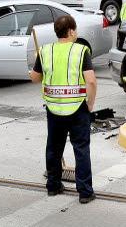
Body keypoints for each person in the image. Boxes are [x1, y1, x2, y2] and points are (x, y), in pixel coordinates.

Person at [30, 15, 98, 204]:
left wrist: (39, 63)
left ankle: (53, 186)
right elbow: (91, 81)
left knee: (53, 147)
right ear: (71, 31)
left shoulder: (45, 51)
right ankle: (85, 192)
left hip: (53, 108)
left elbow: (35, 78)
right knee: (81, 149)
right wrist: (90, 104)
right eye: (75, 30)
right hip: (77, 108)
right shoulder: (81, 50)